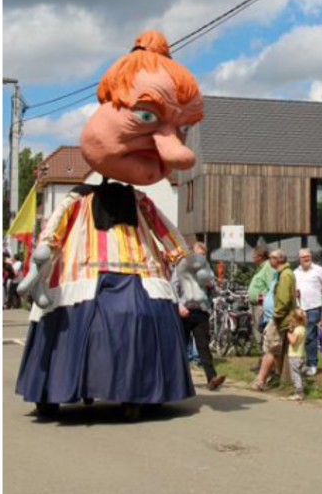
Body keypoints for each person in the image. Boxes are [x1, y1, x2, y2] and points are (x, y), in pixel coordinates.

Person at [15, 31, 207, 421]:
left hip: (139, 270)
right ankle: (63, 389)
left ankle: (133, 390)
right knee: (99, 318)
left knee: (137, 315)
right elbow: (53, 231)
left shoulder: (140, 201)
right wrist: (43, 255)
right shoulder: (78, 199)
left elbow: (164, 231)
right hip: (82, 271)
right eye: (149, 116)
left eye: (180, 130)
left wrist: (183, 259)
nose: (176, 150)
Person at [173, 249, 226, 391]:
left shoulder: (207, 271)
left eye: (203, 255)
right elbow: (173, 288)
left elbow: (216, 293)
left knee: (203, 346)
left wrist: (212, 286)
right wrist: (178, 306)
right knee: (180, 346)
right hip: (184, 312)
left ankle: (212, 378)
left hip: (201, 312)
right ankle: (175, 380)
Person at [253, 250, 296, 391]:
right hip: (272, 316)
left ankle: (260, 380)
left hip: (277, 318)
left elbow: (284, 300)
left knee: (271, 348)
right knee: (273, 349)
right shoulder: (278, 273)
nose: (268, 260)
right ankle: (278, 378)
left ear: (278, 259)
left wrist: (276, 316)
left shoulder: (285, 274)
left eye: (271, 258)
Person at [294, 248, 322, 375]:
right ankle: (307, 363)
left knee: (310, 335)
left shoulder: (318, 270)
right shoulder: (295, 273)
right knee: (302, 336)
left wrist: (321, 289)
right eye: (304, 257)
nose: (306, 258)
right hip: (300, 308)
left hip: (314, 307)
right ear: (299, 259)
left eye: (308, 256)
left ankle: (312, 364)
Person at [285, 308, 308, 401]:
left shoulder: (297, 330)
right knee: (298, 374)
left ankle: (299, 393)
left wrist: (288, 333)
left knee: (295, 375)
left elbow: (293, 341)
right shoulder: (303, 329)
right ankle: (299, 391)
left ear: (294, 319)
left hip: (295, 355)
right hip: (301, 354)